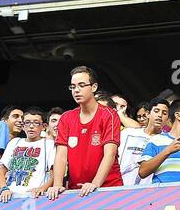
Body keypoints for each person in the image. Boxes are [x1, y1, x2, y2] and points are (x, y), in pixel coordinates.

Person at [46, 66, 124, 199]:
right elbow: (61, 156)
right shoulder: (66, 117)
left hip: (108, 189)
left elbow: (109, 154)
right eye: (73, 86)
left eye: (81, 85)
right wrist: (57, 185)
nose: (76, 90)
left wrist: (95, 184)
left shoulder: (109, 115)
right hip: (76, 192)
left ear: (94, 87)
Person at [0, 107, 57, 201]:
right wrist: (4, 188)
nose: (31, 126)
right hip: (10, 196)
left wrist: (42, 188)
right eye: (27, 122)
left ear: (44, 126)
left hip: (35, 197)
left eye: (36, 123)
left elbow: (54, 174)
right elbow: (1, 171)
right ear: (23, 126)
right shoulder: (14, 142)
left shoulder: (49, 144)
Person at [119, 100, 168, 186]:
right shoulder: (127, 133)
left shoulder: (167, 142)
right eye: (156, 111)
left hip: (149, 192)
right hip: (119, 188)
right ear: (148, 114)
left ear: (167, 118)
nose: (160, 115)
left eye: (164, 113)